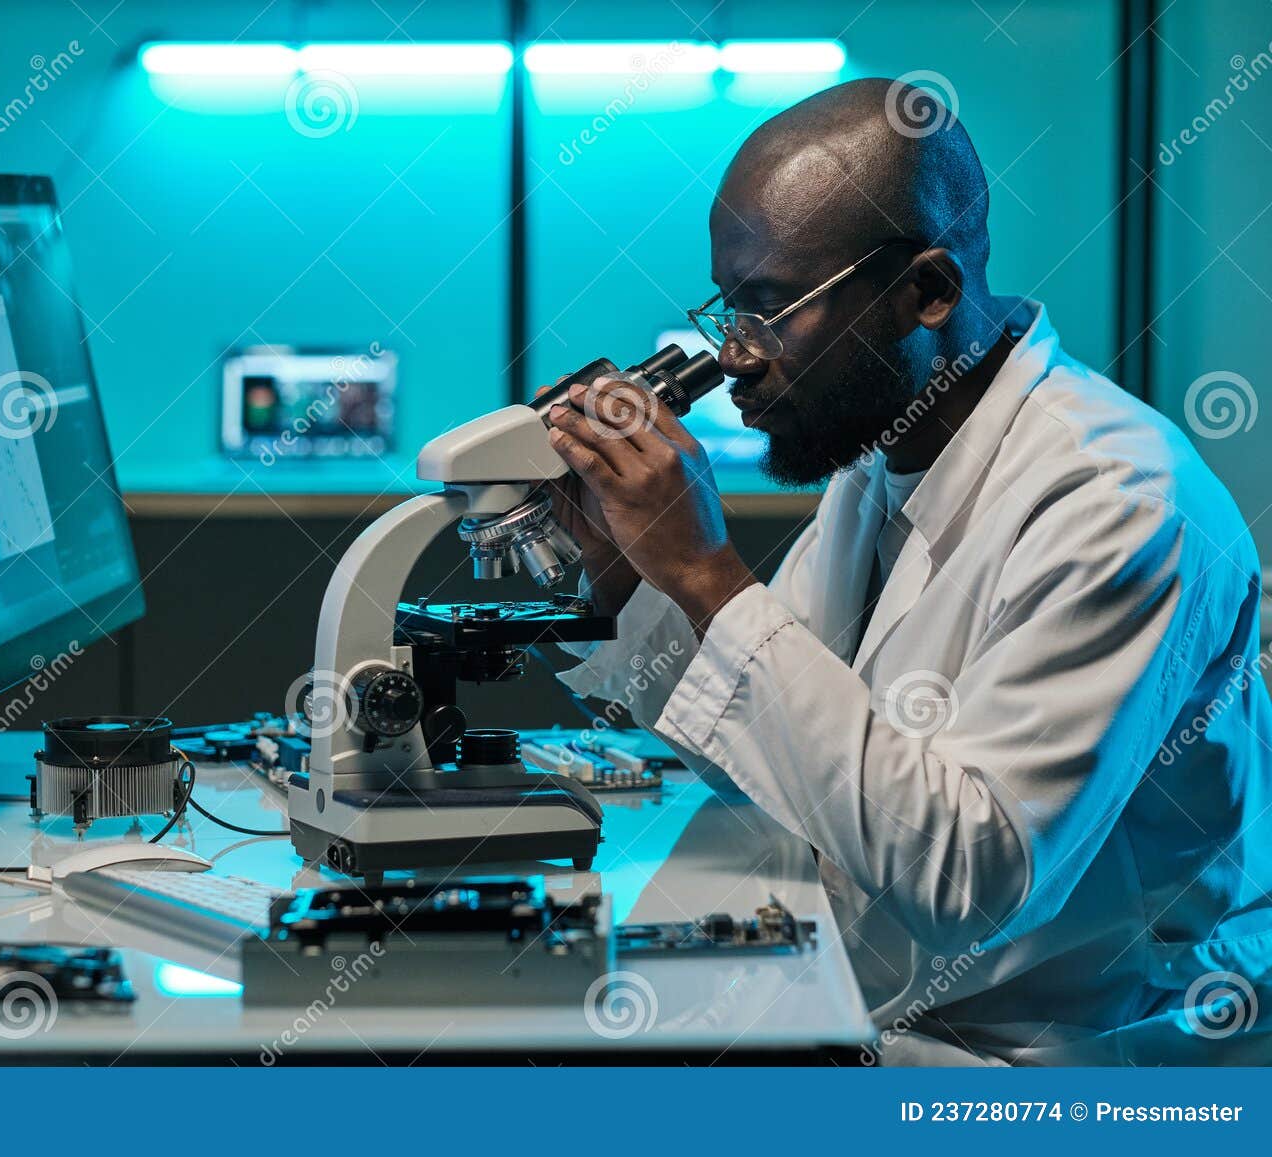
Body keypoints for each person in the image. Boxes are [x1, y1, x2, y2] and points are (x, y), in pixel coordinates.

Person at [545, 77, 1272, 1065]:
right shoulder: (885, 461)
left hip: (1054, 1058)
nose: (732, 357)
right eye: (726, 308)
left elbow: (974, 871)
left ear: (924, 292)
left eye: (767, 310)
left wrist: (708, 572)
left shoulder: (1118, 504)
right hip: (892, 1011)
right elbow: (782, 760)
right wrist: (634, 573)